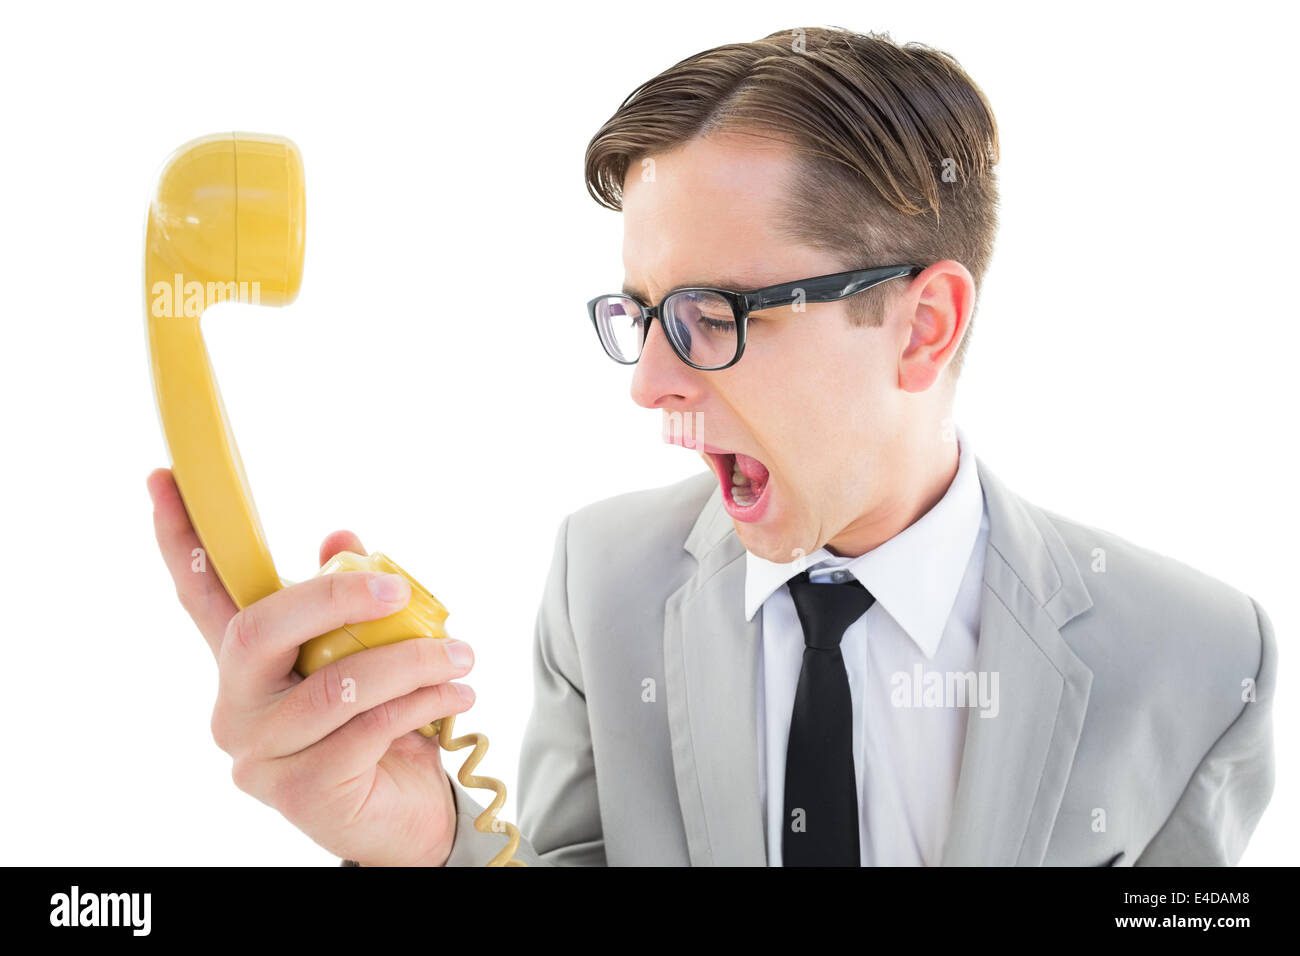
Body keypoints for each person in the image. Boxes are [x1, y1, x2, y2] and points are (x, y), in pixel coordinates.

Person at [147, 26, 1275, 866]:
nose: (647, 384)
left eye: (714, 316)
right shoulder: (602, 584)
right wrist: (429, 834)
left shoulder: (1198, 658)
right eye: (640, 312)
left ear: (920, 326)